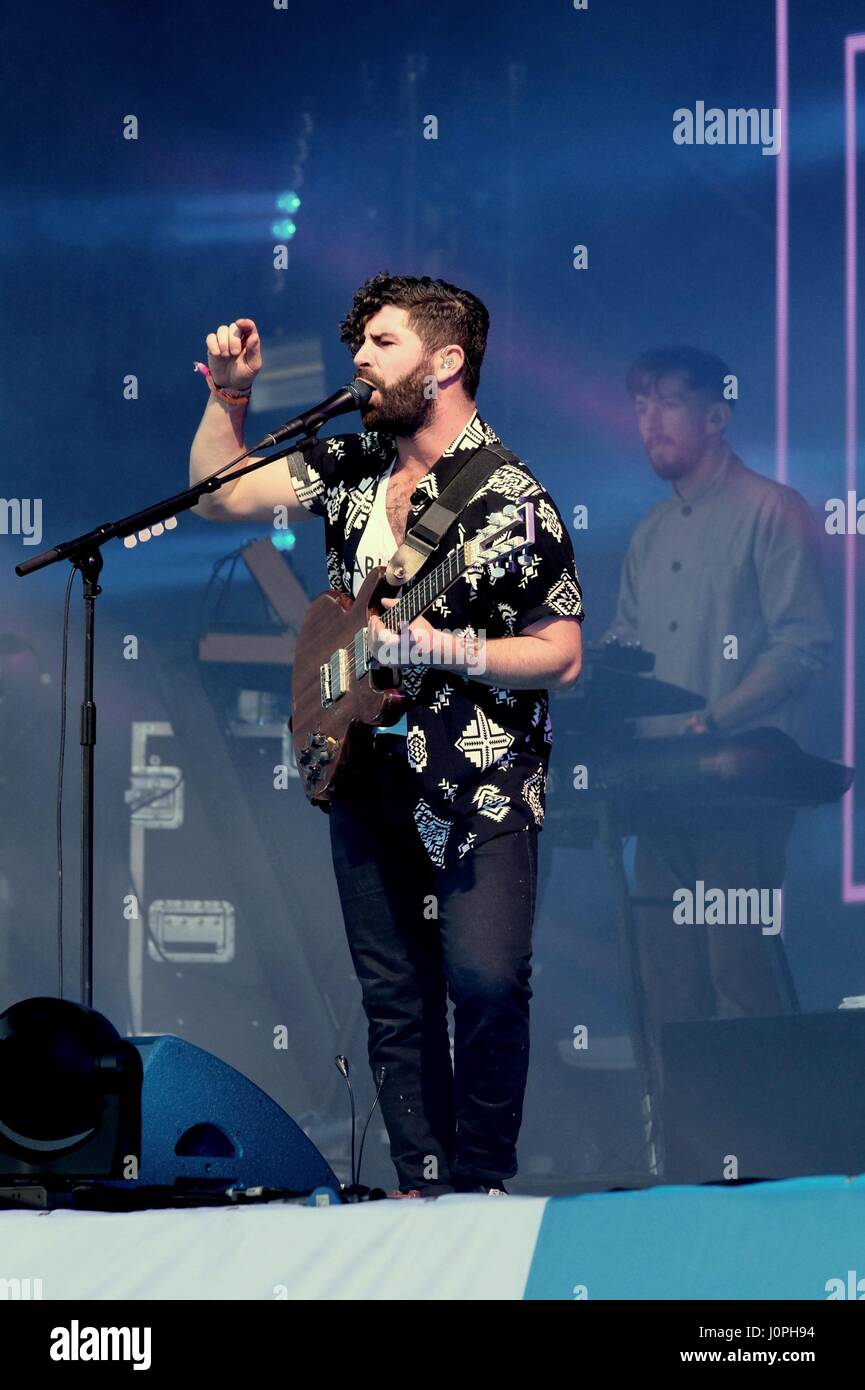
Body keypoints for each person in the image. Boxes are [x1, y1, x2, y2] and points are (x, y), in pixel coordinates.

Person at [189, 273, 584, 1196]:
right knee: (394, 998)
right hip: (365, 764)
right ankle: (420, 1186)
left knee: (484, 984)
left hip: (478, 776)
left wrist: (460, 648)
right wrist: (229, 394)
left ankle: (482, 1184)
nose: (359, 360)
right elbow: (218, 499)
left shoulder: (510, 497)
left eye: (383, 342)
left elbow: (561, 651)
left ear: (445, 363)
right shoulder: (352, 465)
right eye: (356, 343)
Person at [606, 346, 832, 1062]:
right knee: (664, 975)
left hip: (742, 784)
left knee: (739, 967)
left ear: (715, 414)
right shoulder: (648, 532)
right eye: (640, 405)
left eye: (667, 403)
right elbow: (626, 649)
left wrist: (717, 717)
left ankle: (767, 1151)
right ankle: (680, 1153)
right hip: (658, 789)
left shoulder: (773, 509)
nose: (649, 422)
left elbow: (801, 645)